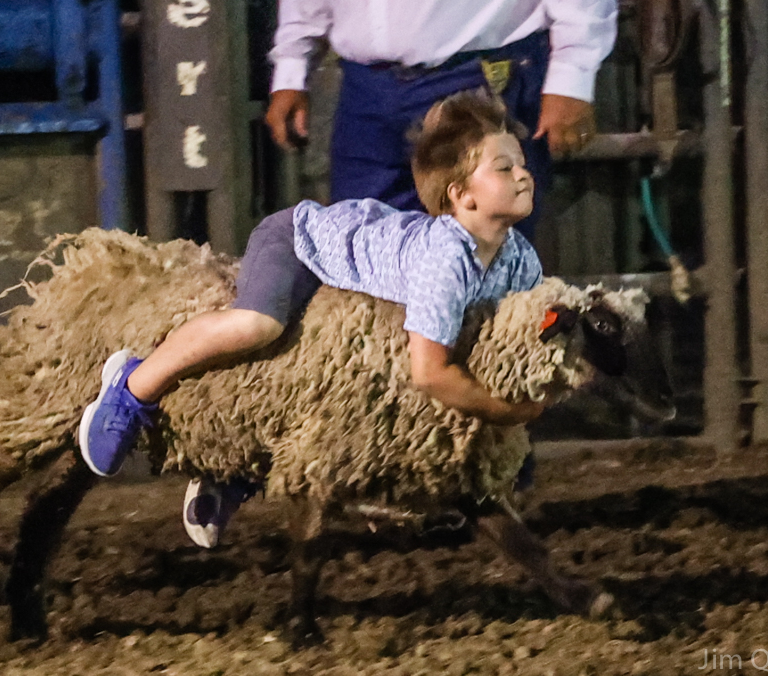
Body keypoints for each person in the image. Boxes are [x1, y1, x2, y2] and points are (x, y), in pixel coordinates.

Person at [79, 90, 546, 547]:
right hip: (300, 242)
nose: (524, 175)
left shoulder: (519, 258)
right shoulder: (445, 262)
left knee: (327, 388)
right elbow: (428, 372)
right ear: (461, 195)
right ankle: (132, 386)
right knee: (258, 327)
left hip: (358, 277)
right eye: (505, 168)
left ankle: (229, 470)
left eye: (521, 163)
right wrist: (506, 412)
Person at [264, 0, 618, 242]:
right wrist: (293, 65)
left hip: (476, 75)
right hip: (367, 88)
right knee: (362, 252)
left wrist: (573, 74)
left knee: (486, 260)